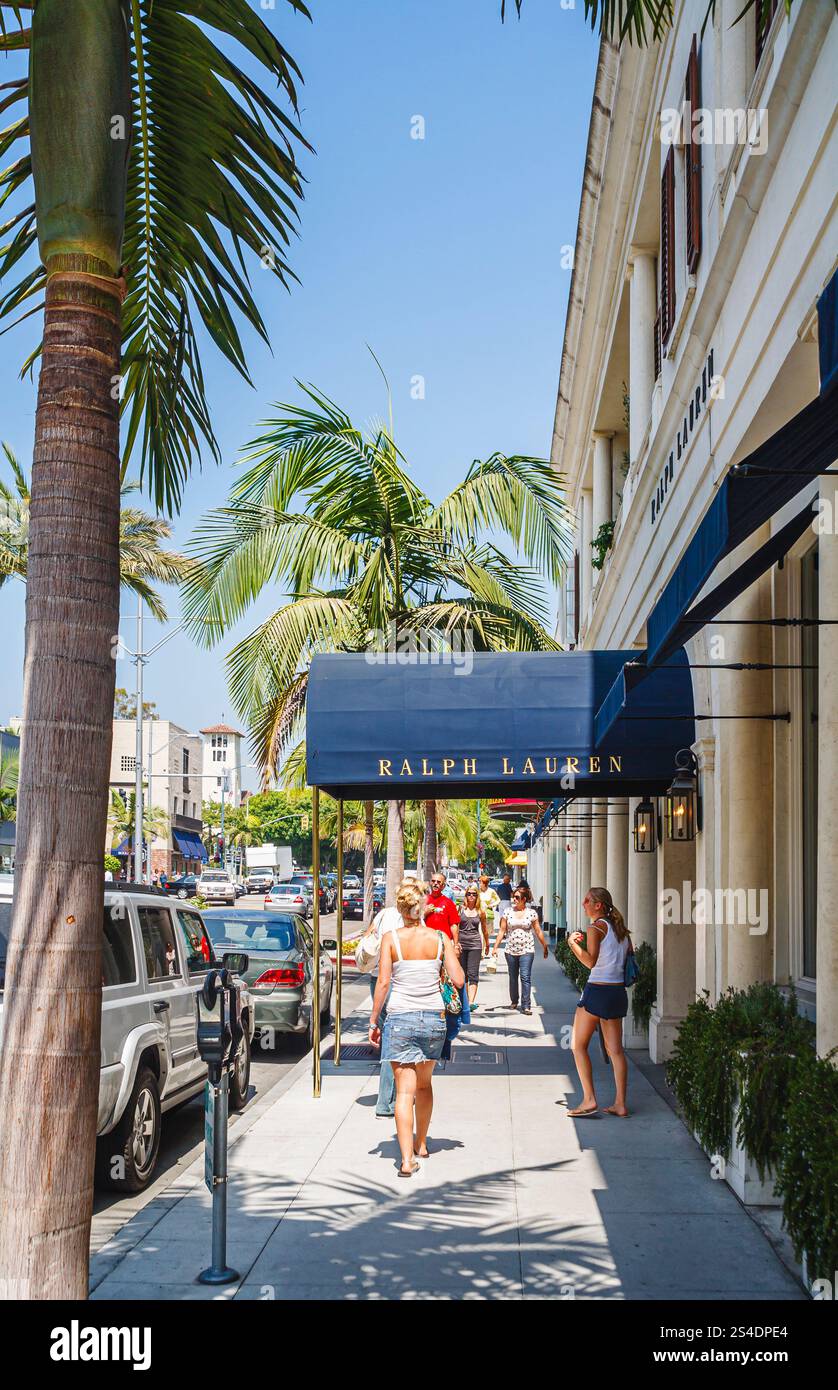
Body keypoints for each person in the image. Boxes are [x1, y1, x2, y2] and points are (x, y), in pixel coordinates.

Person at [370, 880, 464, 1177]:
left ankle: (406, 1160)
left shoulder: (390, 938)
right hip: (433, 1020)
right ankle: (421, 1144)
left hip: (399, 1019)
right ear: (422, 908)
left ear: (400, 909)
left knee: (403, 1093)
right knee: (424, 1085)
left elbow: (383, 983)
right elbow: (459, 980)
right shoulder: (439, 938)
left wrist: (374, 1020)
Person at [566, 886, 631, 1118]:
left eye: (587, 900)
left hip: (597, 990)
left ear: (598, 905)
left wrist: (572, 944)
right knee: (616, 1051)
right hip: (617, 993)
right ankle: (620, 1103)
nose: (584, 903)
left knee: (578, 1045)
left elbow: (590, 962)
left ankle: (589, 1099)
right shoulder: (621, 930)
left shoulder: (595, 928)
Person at [492, 884, 548, 1014]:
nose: (514, 899)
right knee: (513, 977)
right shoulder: (507, 912)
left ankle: (526, 1005)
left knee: (525, 977)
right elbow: (501, 931)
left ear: (524, 899)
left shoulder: (531, 913)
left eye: (517, 897)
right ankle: (514, 1000)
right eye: (513, 897)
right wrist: (495, 948)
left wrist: (544, 945)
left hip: (527, 949)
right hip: (510, 950)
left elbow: (538, 930)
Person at [458, 885, 489, 1009]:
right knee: (462, 974)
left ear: (477, 896)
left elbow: (485, 930)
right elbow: (454, 926)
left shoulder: (481, 912)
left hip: (475, 944)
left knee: (473, 974)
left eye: (474, 894)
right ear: (466, 895)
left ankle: (471, 1002)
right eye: (469, 894)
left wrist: (487, 945)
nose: (471, 896)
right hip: (461, 944)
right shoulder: (460, 909)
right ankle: (464, 1001)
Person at [424, 871, 460, 950]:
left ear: (443, 886)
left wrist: (456, 945)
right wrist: (425, 913)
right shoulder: (423, 900)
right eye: (433, 881)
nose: (435, 883)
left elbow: (454, 925)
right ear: (430, 883)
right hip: (426, 942)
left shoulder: (449, 902)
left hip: (444, 943)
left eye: (438, 882)